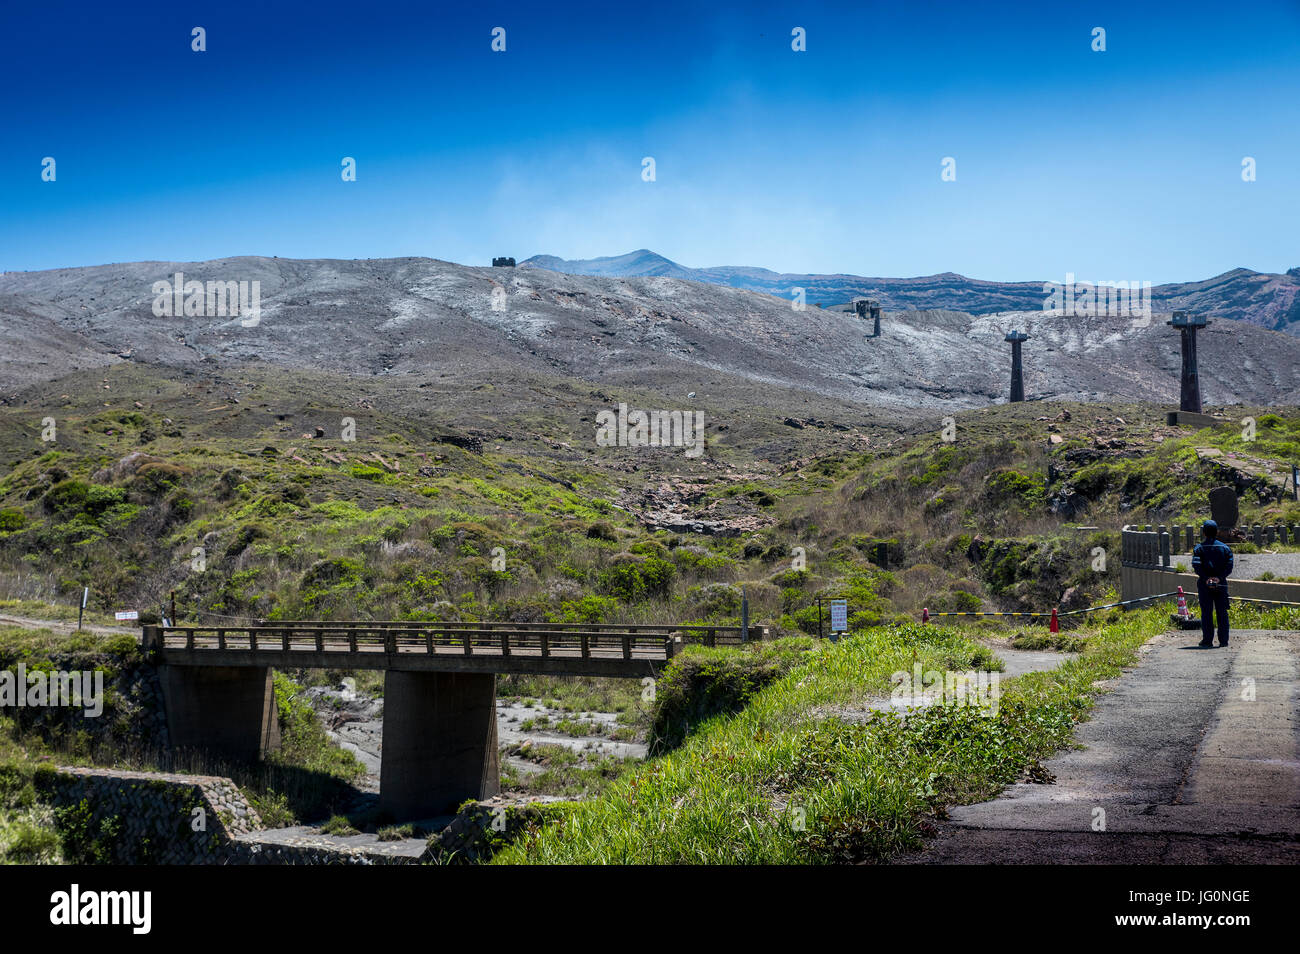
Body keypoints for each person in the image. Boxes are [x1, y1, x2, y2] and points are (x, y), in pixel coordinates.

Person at [1191, 519, 1234, 647]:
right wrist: (1219, 578)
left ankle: (1207, 640)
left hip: (1205, 585)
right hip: (1221, 584)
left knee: (1206, 612)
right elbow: (1229, 566)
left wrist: (1206, 578)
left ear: (1204, 532)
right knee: (1222, 612)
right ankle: (1224, 641)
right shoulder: (1225, 548)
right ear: (1217, 532)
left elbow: (1196, 566)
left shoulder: (1199, 548)